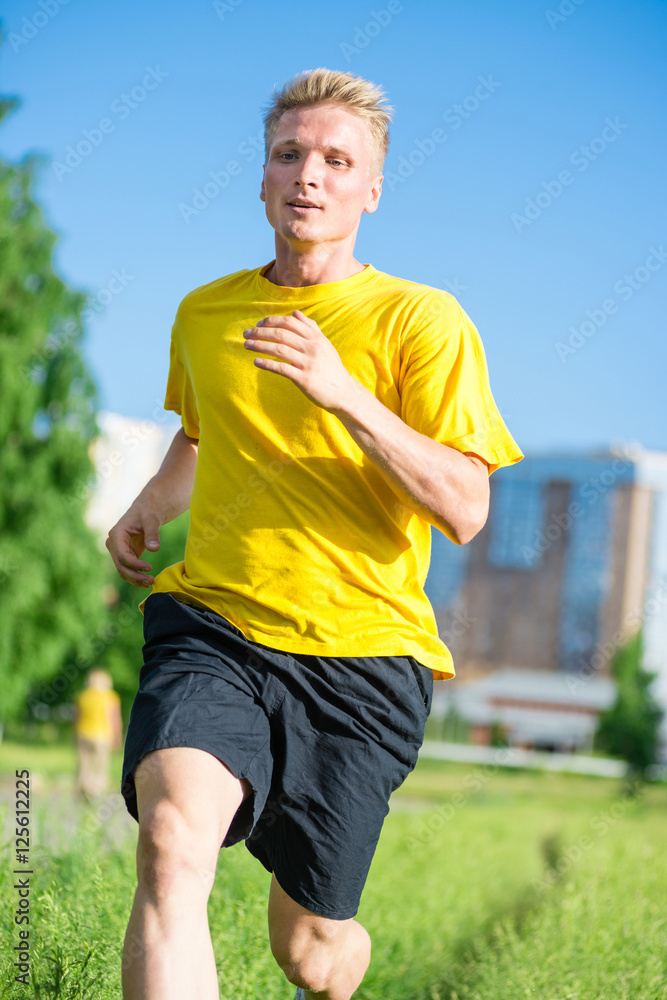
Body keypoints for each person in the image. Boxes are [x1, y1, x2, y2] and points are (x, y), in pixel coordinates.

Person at [106, 67, 524, 1000]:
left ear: (370, 190)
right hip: (215, 625)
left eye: (337, 160)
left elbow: (464, 504)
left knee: (311, 949)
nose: (309, 176)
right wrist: (147, 508)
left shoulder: (422, 320)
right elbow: (201, 430)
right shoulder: (205, 314)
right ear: (260, 176)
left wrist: (344, 393)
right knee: (172, 844)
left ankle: (335, 969)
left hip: (363, 658)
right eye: (289, 154)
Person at [73, 668, 122, 801]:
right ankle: (95, 792)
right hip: (102, 735)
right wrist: (117, 737)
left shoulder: (83, 696)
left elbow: (76, 717)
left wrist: (74, 734)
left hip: (83, 734)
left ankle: (84, 789)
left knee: (84, 764)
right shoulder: (110, 697)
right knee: (100, 765)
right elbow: (114, 719)